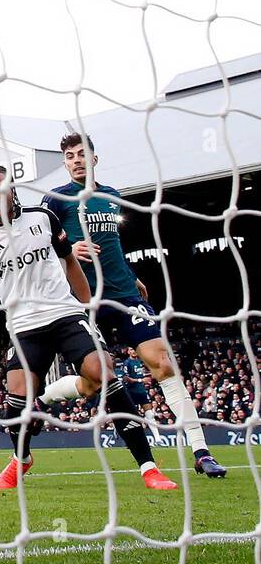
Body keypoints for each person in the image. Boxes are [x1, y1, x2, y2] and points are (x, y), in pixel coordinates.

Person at [0, 164, 175, 491]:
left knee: (102, 372)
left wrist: (87, 306)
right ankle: (21, 460)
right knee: (16, 400)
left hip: (65, 314)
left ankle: (148, 467)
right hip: (23, 327)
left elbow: (70, 263)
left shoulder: (42, 218)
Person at [40, 133, 226, 477]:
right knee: (92, 383)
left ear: (95, 159)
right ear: (65, 163)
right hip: (86, 300)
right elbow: (40, 247)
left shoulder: (111, 195)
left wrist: (131, 273)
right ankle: (46, 398)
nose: (76, 160)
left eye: (82, 154)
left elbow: (111, 243)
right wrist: (69, 250)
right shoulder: (57, 200)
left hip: (124, 294)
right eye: (70, 156)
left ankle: (202, 452)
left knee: (163, 363)